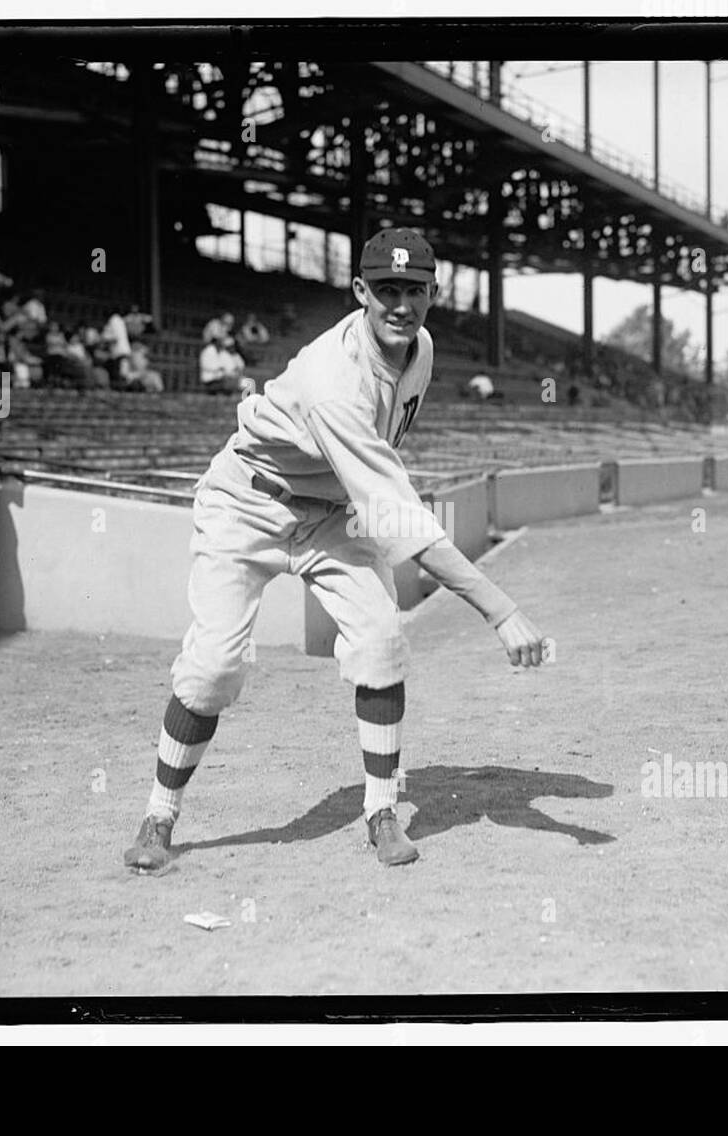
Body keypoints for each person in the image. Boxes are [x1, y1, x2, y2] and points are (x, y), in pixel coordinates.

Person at [123, 228, 547, 873]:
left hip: (332, 513)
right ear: (360, 293)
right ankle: (158, 814)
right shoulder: (332, 380)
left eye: (414, 290)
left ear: (433, 293)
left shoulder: (421, 346)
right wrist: (499, 610)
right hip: (249, 502)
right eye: (386, 291)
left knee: (380, 641)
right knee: (212, 667)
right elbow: (399, 516)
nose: (400, 305)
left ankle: (380, 810)